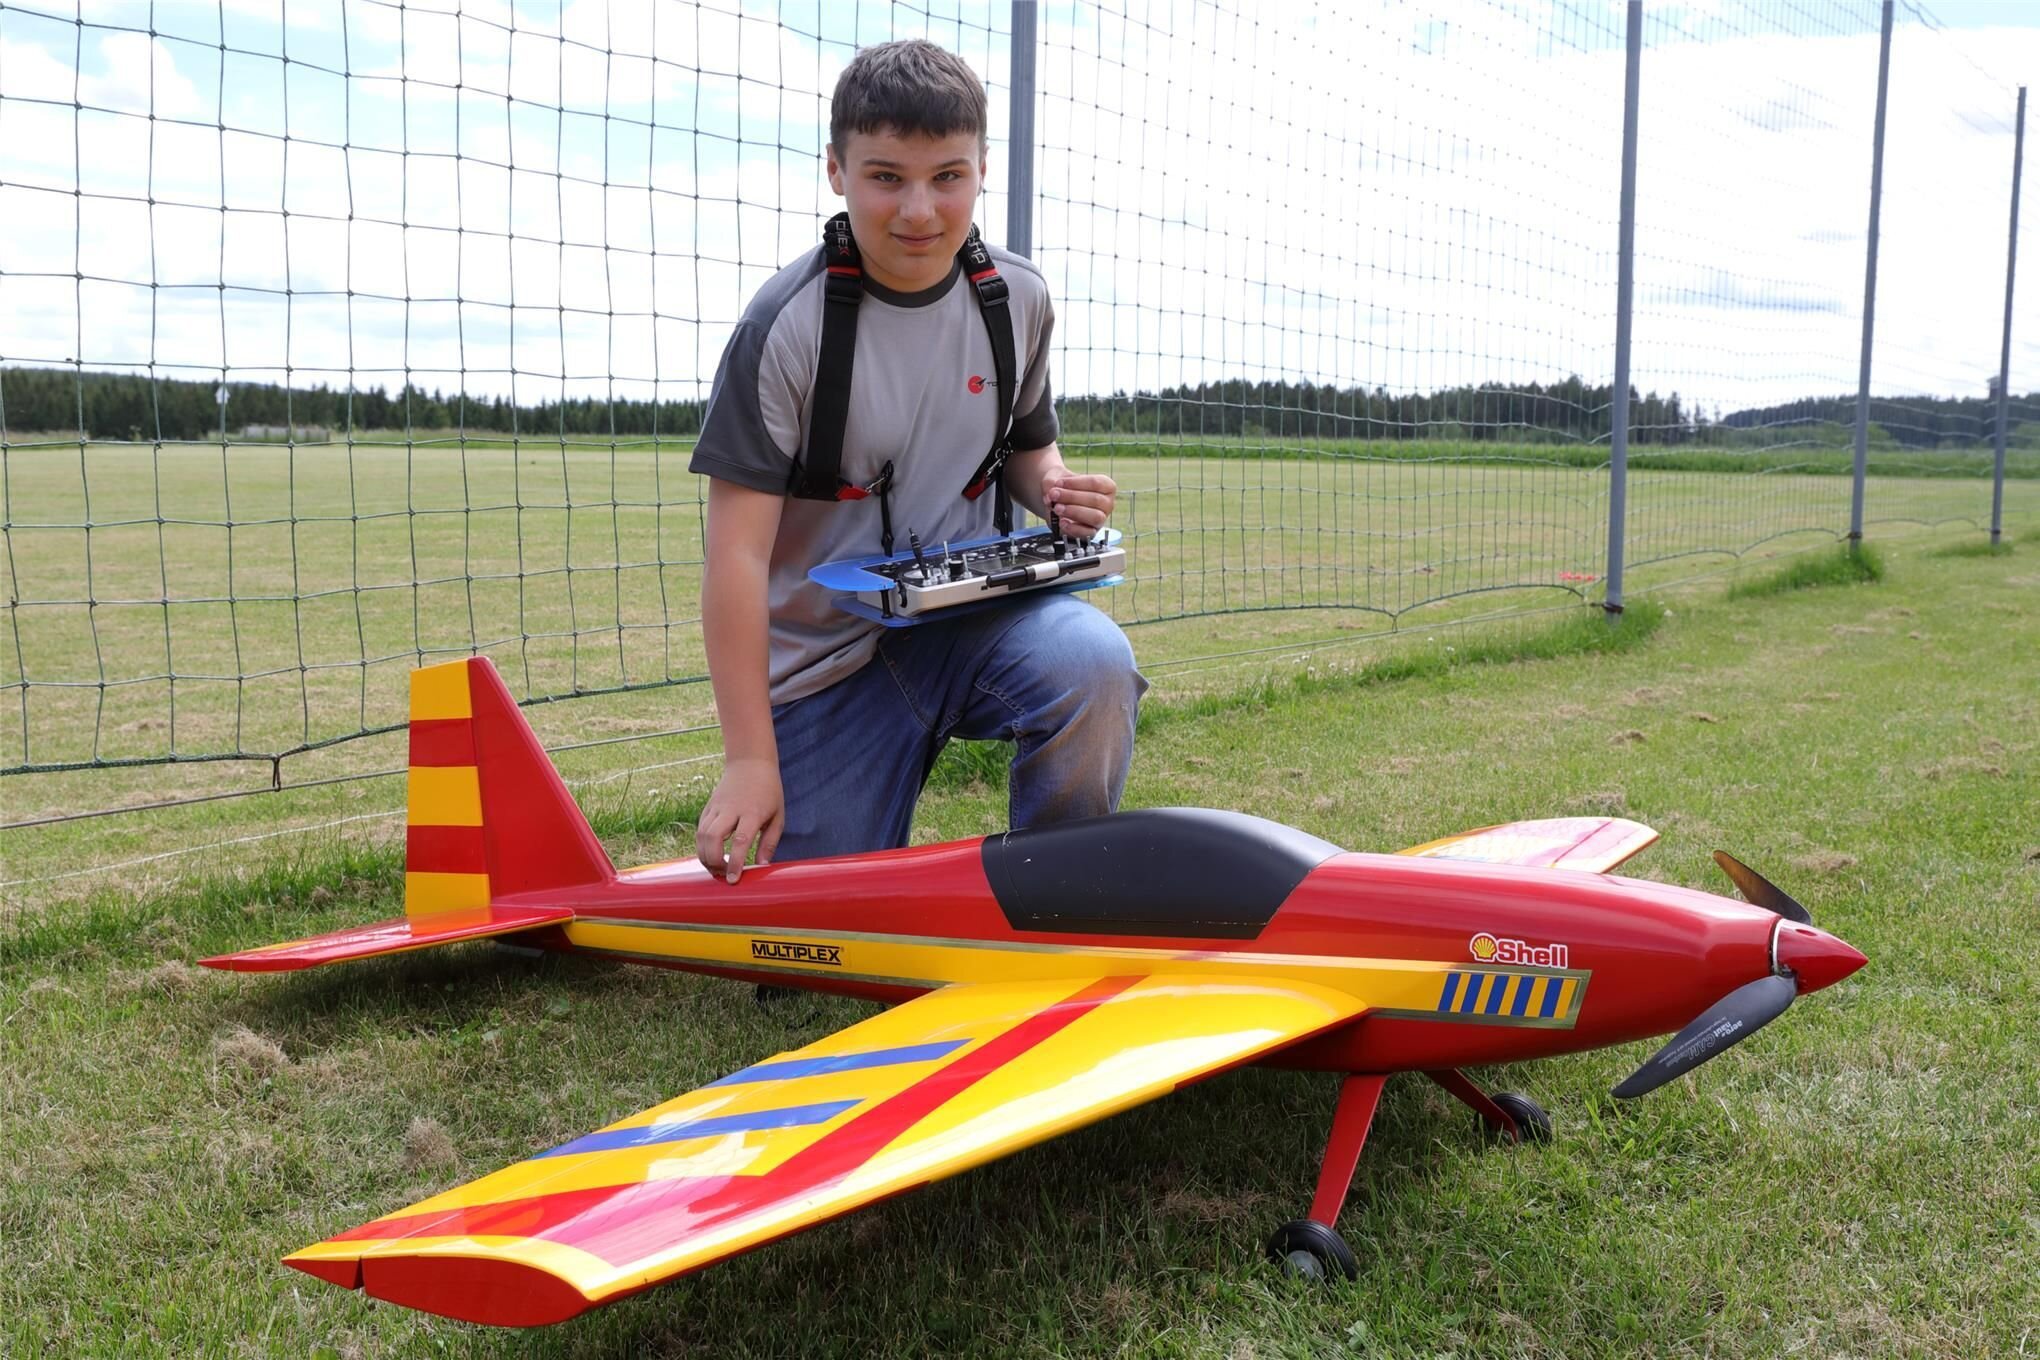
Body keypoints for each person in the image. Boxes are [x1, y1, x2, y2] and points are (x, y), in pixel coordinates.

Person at [688, 38, 1145, 883]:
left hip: (974, 628)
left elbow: (1024, 445)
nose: (920, 211)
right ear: (835, 169)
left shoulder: (1018, 300)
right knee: (818, 954)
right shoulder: (783, 329)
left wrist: (1054, 489)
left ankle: (1057, 898)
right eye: (886, 176)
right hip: (827, 662)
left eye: (948, 177)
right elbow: (737, 556)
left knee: (1093, 661)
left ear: (980, 171)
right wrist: (751, 760)